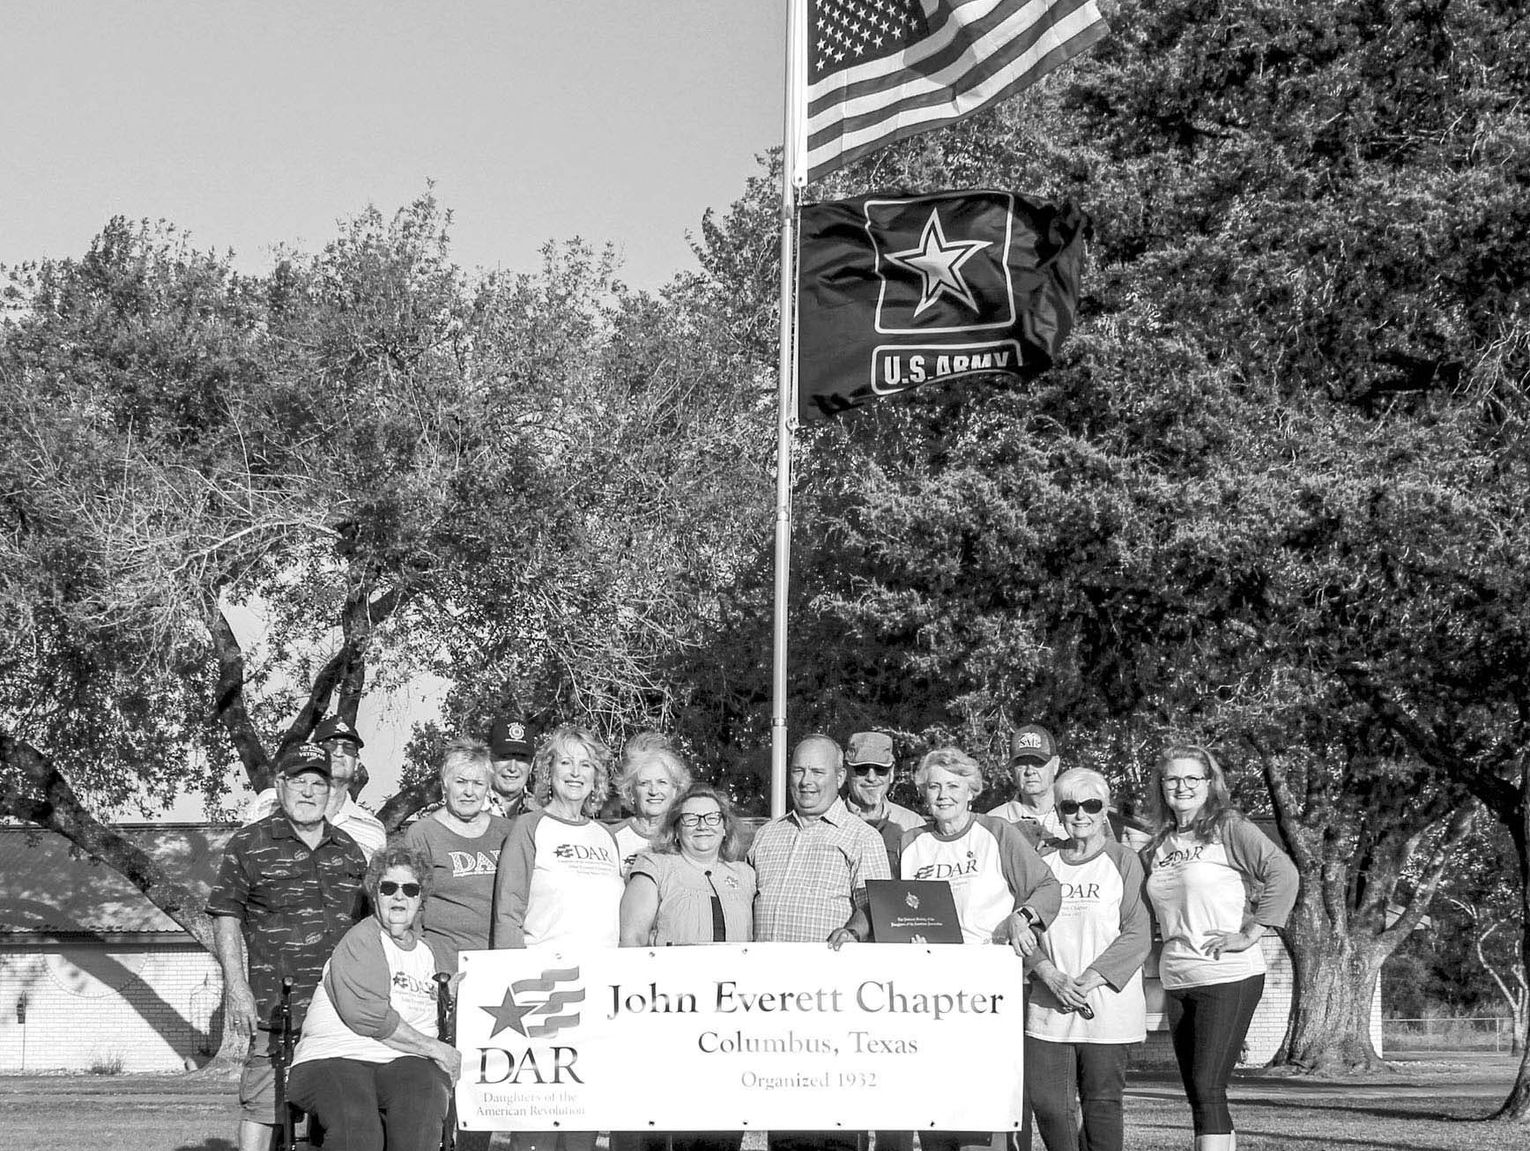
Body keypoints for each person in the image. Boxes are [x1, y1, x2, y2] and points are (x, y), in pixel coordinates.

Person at [892, 746, 1062, 1151]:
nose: (943, 795)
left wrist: (1023, 916)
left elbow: (1047, 886)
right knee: (936, 1101)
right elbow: (892, 906)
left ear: (972, 791)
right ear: (923, 793)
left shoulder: (997, 832)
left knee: (986, 1105)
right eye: (934, 786)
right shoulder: (910, 842)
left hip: (990, 988)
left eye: (954, 786)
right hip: (929, 992)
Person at [209, 744, 368, 1151]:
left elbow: (370, 926)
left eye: (318, 783)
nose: (309, 792)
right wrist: (236, 987)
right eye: (299, 781)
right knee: (263, 1108)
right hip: (275, 1008)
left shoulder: (349, 849)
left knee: (337, 1113)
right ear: (280, 785)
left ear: (331, 790)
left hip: (338, 1011)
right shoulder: (250, 843)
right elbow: (225, 914)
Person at [1142, 745, 1298, 1151]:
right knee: (1198, 1091)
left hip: (1228, 974)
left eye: (1192, 778)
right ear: (1161, 786)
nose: (1182, 787)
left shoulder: (1228, 827)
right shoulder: (1157, 847)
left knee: (1207, 1084)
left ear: (1209, 783)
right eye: (1172, 779)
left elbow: (1283, 872)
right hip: (1178, 978)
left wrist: (1252, 931)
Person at [749, 733, 892, 1151]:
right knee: (784, 1120)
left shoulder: (861, 837)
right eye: (798, 771)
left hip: (828, 1001)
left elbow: (874, 906)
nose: (806, 781)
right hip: (770, 1000)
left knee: (832, 1124)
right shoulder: (766, 835)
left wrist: (854, 931)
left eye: (817, 771)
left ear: (840, 777)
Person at [286, 843, 460, 1151]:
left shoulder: (428, 952)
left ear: (420, 899)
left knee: (425, 1098)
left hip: (402, 1063)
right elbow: (369, 1017)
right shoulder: (362, 941)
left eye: (410, 889)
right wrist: (437, 1050)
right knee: (359, 1131)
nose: (399, 896)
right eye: (389, 887)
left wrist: (452, 1000)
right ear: (374, 893)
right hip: (335, 1056)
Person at [1026, 769, 1150, 1151]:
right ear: (1058, 812)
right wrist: (1051, 976)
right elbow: (1023, 931)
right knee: (1048, 1105)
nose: (1081, 814)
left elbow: (1138, 933)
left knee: (1101, 1106)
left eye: (1091, 805)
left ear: (1105, 808)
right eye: (1070, 806)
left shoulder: (1124, 860)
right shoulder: (1042, 862)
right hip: (1049, 1004)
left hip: (1106, 1007)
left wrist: (1090, 979)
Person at [402, 738, 512, 972]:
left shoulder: (507, 831)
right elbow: (412, 905)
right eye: (460, 782)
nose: (469, 792)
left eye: (478, 783)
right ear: (445, 786)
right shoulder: (423, 833)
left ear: (488, 788)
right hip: (445, 965)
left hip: (501, 963)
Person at [620, 783, 756, 947]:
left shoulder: (745, 875)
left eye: (712, 818)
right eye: (691, 819)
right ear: (676, 830)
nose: (702, 826)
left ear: (725, 828)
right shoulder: (655, 868)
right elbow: (633, 939)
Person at [245, 714, 387, 860]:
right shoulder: (269, 801)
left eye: (348, 748)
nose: (339, 753)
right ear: (313, 754)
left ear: (357, 762)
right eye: (330, 745)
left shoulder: (373, 830)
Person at [611, 731, 693, 877]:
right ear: (630, 791)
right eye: (644, 783)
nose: (654, 791)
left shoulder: (688, 835)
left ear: (675, 789)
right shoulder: (613, 837)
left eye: (662, 782)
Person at [842, 729, 924, 871]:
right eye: (862, 769)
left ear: (891, 774)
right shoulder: (827, 824)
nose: (871, 778)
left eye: (880, 769)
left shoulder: (913, 824)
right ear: (846, 772)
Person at [988, 723, 1067, 844]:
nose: (1030, 771)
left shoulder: (1080, 817)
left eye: (1038, 762)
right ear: (1012, 768)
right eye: (1021, 763)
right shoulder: (993, 823)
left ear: (1056, 764)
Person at [488, 714, 541, 819]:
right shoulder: (469, 807)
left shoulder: (541, 815)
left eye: (521, 759)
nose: (512, 768)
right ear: (489, 759)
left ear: (531, 764)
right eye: (504, 757)